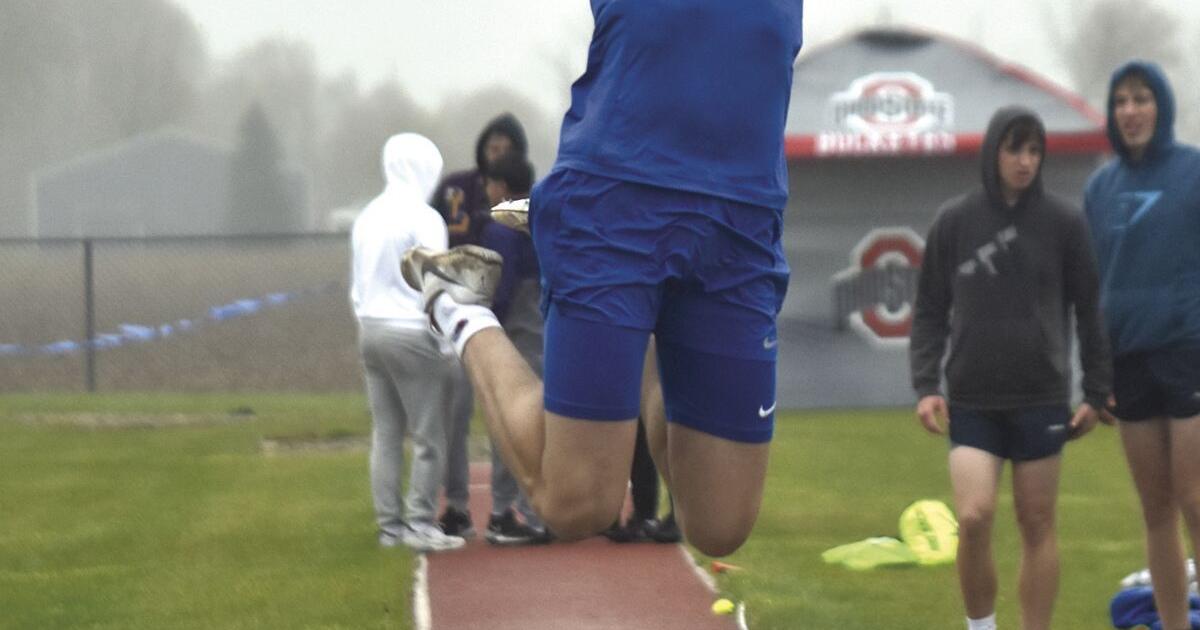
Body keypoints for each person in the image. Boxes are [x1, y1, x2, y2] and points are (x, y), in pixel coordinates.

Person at [401, 0, 804, 557]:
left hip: (740, 221)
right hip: (617, 203)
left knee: (719, 525)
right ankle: (459, 306)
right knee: (576, 503)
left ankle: (633, 313)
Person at [910, 107, 1112, 630]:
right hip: (973, 398)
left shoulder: (1064, 223)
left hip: (1042, 397)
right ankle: (981, 626)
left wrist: (1096, 389)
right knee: (974, 516)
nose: (1024, 161)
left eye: (1033, 151)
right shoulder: (954, 221)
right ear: (992, 150)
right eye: (1014, 148)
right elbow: (930, 308)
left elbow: (1090, 310)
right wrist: (926, 385)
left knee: (1037, 522)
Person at [1083, 61, 1200, 630]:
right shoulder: (1100, 188)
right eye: (1121, 100)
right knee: (1156, 512)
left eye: (1142, 99)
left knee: (1196, 500)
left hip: (1188, 353)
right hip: (1127, 362)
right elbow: (1093, 285)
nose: (1130, 111)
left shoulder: (1193, 171)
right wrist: (1095, 371)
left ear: (1163, 107)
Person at [349, 133, 466, 553]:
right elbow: (437, 284)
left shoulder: (367, 216)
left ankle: (389, 527)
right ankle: (419, 523)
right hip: (412, 332)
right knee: (429, 436)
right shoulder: (425, 218)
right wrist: (449, 340)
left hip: (371, 329)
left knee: (385, 432)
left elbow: (358, 284)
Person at [433, 112, 528, 539]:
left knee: (507, 417)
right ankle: (456, 505)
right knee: (455, 412)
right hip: (459, 311)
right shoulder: (456, 188)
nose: (497, 155)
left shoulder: (523, 206)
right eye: (492, 147)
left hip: (502, 319)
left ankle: (506, 506)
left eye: (505, 149)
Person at [476, 154, 551, 545]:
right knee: (535, 428)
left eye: (489, 184)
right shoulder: (542, 219)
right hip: (542, 336)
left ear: (501, 187)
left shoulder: (501, 228)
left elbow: (497, 290)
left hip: (515, 338)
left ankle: (509, 511)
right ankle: (527, 512)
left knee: (511, 428)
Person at [431, 113, 528, 248]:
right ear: (483, 149)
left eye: (508, 150)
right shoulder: (455, 186)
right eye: (495, 149)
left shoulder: (525, 199)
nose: (500, 155)